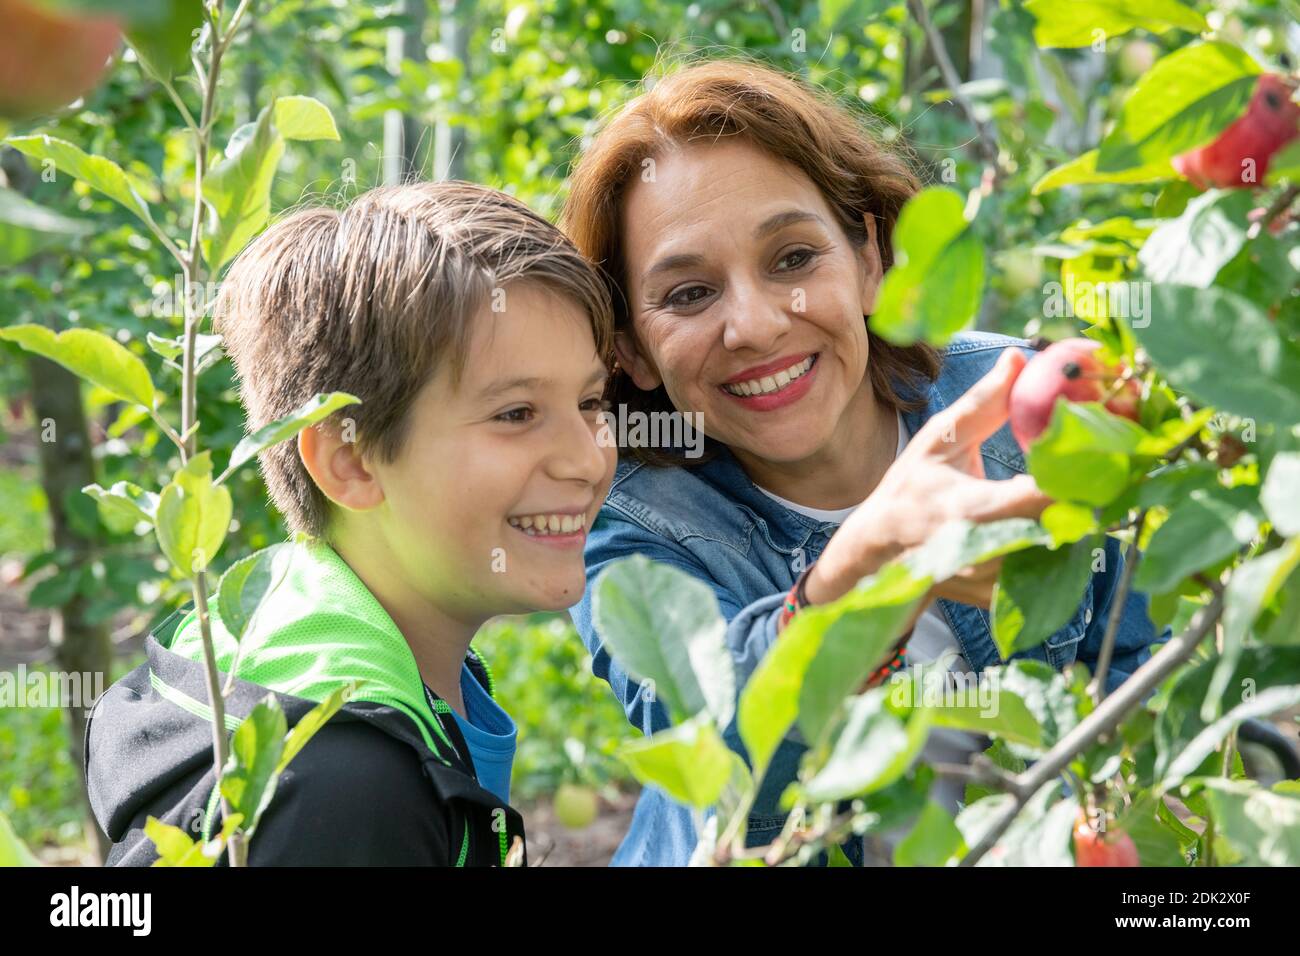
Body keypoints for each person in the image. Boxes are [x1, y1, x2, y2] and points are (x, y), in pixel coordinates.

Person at [562, 58, 1170, 866]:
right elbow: (731, 764)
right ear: (631, 350)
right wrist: (873, 563)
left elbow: (1148, 682)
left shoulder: (1022, 403)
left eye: (792, 258)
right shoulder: (626, 524)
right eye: (688, 294)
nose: (755, 325)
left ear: (871, 260)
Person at [86, 181, 617, 865]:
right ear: (350, 463)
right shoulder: (351, 790)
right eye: (516, 414)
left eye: (591, 401)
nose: (586, 458)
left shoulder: (270, 633)